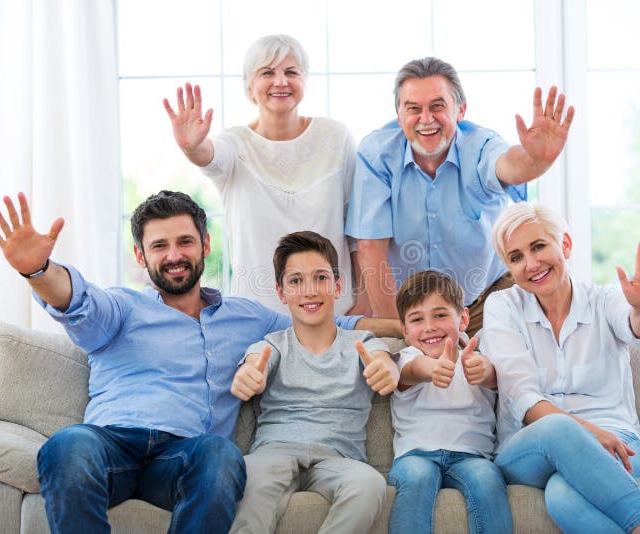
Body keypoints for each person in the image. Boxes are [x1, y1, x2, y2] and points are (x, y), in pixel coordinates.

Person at [0, 191, 397, 534]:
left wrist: (407, 328)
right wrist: (38, 270)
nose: (174, 255)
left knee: (222, 456)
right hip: (113, 445)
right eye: (159, 245)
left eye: (184, 241)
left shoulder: (248, 317)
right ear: (140, 254)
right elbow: (74, 300)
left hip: (187, 457)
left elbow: (328, 319)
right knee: (68, 444)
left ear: (205, 245)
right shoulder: (121, 307)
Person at [481, 203, 640, 533]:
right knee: (558, 427)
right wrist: (590, 433)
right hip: (532, 447)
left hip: (618, 439)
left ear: (565, 245)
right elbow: (522, 398)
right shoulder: (502, 306)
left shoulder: (605, 299)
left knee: (562, 496)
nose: (531, 263)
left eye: (539, 246)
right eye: (516, 257)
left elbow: (639, 330)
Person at [345, 56, 575, 333]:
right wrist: (400, 333)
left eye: (438, 106)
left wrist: (535, 159)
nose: (426, 119)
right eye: (413, 109)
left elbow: (510, 166)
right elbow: (371, 250)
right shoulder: (377, 153)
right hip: (412, 312)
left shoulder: (481, 144)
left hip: (485, 299)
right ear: (399, 115)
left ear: (460, 110)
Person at [164, 34, 358, 315]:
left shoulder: (336, 137)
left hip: (334, 315)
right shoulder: (235, 142)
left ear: (304, 80)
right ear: (249, 87)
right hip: (258, 318)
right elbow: (210, 157)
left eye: (291, 72)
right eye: (267, 72)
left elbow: (356, 230)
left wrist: (362, 302)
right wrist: (193, 147)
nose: (281, 81)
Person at [229, 231, 399, 534]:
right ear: (281, 293)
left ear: (337, 286)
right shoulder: (272, 344)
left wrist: (388, 371)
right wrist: (248, 376)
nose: (309, 291)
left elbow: (383, 361)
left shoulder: (363, 342)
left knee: (370, 483)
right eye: (295, 281)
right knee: (249, 481)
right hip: (274, 452)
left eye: (320, 278)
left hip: (339, 458)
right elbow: (255, 364)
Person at [388, 270, 511, 534]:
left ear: (463, 318)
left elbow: (495, 377)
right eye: (417, 319)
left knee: (488, 479)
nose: (430, 326)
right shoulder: (406, 357)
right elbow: (410, 372)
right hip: (416, 455)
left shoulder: (477, 355)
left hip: (472, 455)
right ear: (405, 331)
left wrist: (485, 370)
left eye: (440, 315)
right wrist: (431, 370)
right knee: (417, 478)